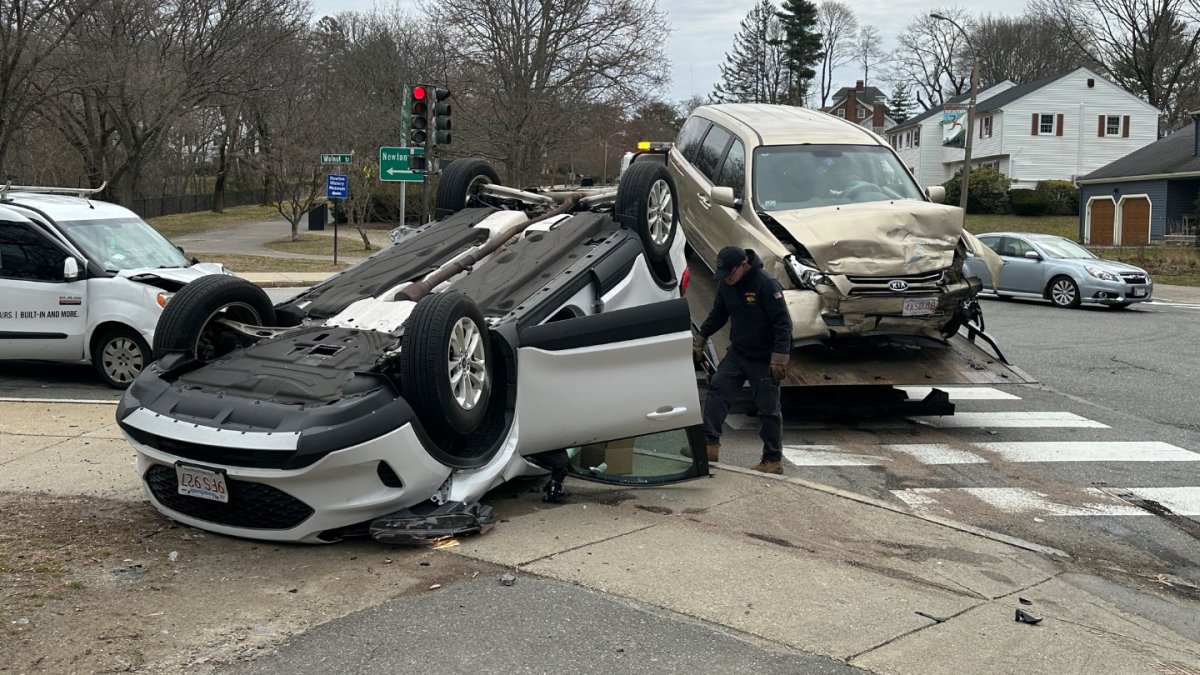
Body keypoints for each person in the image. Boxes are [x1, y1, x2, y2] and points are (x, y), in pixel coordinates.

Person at [693, 246, 792, 474]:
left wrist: (779, 360)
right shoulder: (726, 284)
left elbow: (783, 324)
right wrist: (701, 338)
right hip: (739, 351)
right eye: (724, 274)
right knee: (718, 389)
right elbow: (718, 314)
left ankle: (773, 459)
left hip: (764, 357)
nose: (728, 278)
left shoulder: (766, 285)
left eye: (731, 273)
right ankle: (709, 446)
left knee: (768, 408)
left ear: (743, 265)